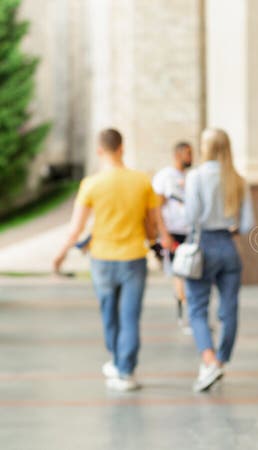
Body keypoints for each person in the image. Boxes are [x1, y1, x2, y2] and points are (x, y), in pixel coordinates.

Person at [53, 128, 173, 392]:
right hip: (133, 258)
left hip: (102, 259)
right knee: (130, 317)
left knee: (109, 314)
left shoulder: (91, 184)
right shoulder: (142, 181)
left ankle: (118, 360)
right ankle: (125, 370)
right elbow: (153, 224)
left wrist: (59, 257)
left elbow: (76, 228)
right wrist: (155, 241)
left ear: (99, 151)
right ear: (122, 148)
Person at [183, 128, 254, 393]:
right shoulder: (238, 180)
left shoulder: (195, 177)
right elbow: (247, 224)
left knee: (198, 307)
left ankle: (209, 361)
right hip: (228, 245)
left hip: (202, 246)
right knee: (229, 309)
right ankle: (221, 360)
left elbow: (191, 216)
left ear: (204, 147)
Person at [152, 141, 193, 331]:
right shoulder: (165, 177)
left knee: (189, 272)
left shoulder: (189, 177)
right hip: (173, 232)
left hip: (189, 231)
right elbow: (156, 206)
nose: (190, 157)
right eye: (187, 153)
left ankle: (190, 315)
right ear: (177, 155)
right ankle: (183, 317)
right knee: (180, 273)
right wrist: (164, 234)